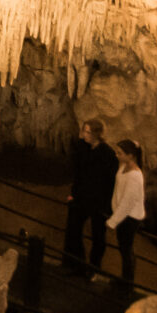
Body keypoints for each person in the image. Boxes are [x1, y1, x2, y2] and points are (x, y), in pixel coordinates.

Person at [63, 119, 120, 272]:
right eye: (84, 131)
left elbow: (111, 183)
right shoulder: (83, 148)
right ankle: (76, 263)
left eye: (88, 132)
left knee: (98, 236)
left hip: (98, 201)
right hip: (82, 197)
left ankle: (94, 267)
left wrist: (107, 206)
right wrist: (73, 194)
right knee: (73, 228)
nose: (84, 135)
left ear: (97, 134)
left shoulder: (108, 155)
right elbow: (78, 174)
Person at [108, 140, 146, 290]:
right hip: (123, 215)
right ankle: (125, 279)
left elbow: (127, 203)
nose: (117, 155)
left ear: (130, 156)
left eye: (120, 153)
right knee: (124, 249)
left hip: (129, 218)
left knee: (126, 250)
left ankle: (127, 284)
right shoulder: (123, 166)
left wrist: (113, 221)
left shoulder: (135, 176)